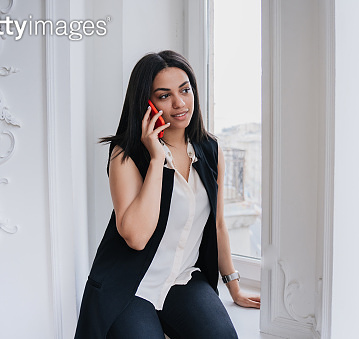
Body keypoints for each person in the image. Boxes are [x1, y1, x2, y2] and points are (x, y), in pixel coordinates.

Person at [75, 50, 260, 339]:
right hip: (130, 286)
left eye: (185, 90)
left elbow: (219, 225)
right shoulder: (126, 155)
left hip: (183, 280)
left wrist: (233, 285)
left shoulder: (210, 150)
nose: (179, 103)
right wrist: (155, 160)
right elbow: (136, 238)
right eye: (164, 95)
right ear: (146, 103)